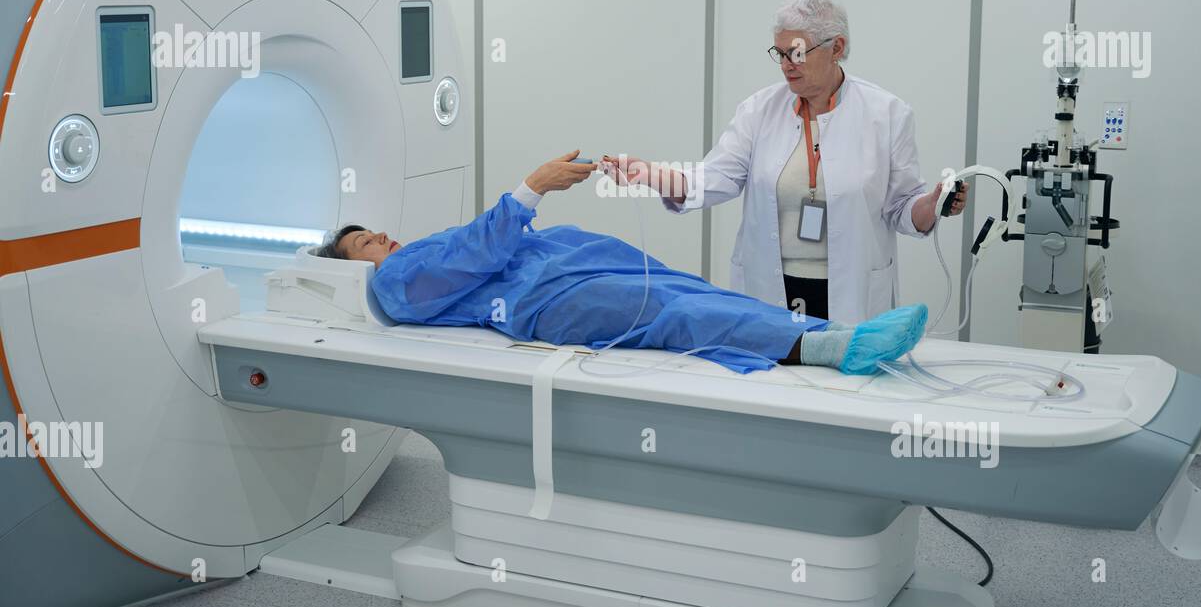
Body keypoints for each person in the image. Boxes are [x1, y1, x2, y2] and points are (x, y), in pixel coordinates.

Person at [318, 150, 927, 375]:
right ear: (356, 271)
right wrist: (532, 187)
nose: (383, 237)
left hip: (574, 266)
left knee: (691, 291)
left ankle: (832, 332)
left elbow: (473, 250)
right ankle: (831, 352)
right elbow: (475, 251)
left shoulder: (413, 257)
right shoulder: (394, 284)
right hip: (551, 300)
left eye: (374, 232)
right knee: (676, 310)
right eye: (366, 242)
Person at [608, 0, 966, 325]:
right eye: (779, 54)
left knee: (846, 387)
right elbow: (715, 178)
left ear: (836, 47)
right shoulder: (759, 110)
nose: (785, 65)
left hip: (851, 292)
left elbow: (903, 208)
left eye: (796, 53)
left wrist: (933, 204)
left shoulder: (887, 114)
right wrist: (653, 175)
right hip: (771, 289)